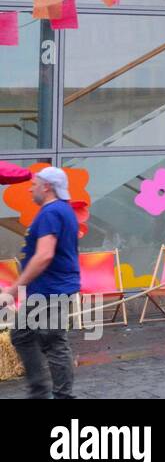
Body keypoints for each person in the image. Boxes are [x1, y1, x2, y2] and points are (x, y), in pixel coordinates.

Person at [2, 167, 81, 399]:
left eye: (34, 184)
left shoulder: (51, 213)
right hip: (48, 289)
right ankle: (39, 392)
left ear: (46, 187)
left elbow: (44, 255)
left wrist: (13, 290)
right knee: (22, 335)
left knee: (54, 343)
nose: (30, 187)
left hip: (50, 291)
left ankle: (61, 396)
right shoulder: (60, 210)